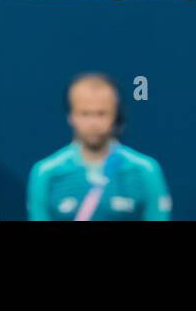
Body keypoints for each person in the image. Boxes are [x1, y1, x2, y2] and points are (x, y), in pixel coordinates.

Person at [27, 74, 171, 220]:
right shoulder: (46, 173)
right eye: (85, 114)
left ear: (116, 116)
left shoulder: (145, 170)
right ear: (70, 116)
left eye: (101, 114)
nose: (93, 123)